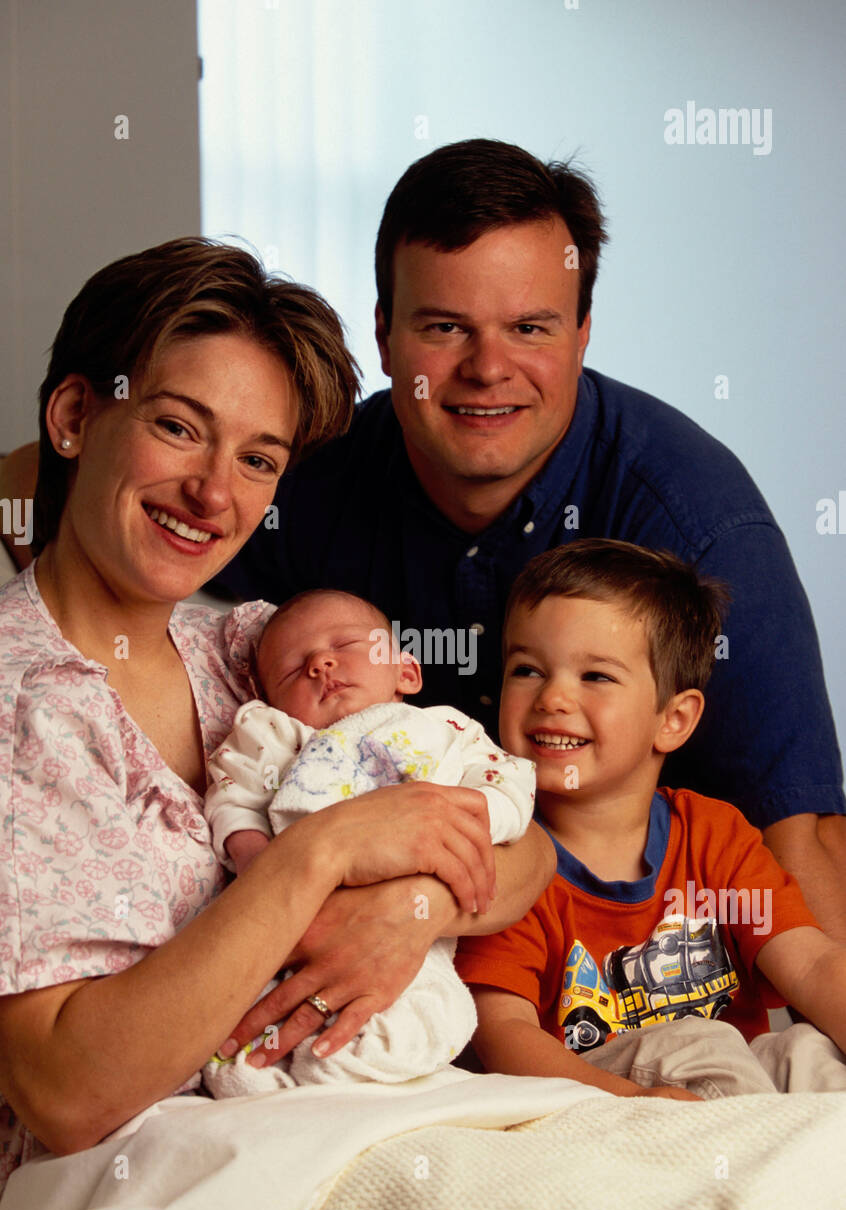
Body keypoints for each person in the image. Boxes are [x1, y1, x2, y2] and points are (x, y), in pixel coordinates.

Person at [4, 139, 844, 940]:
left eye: (530, 328)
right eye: (444, 327)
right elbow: (62, 476)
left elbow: (805, 843)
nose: (486, 368)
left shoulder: (696, 523)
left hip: (632, 968)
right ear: (385, 335)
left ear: (583, 335)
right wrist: (53, 650)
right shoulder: (290, 471)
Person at [0, 238, 553, 1198]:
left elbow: (529, 853)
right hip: (132, 1191)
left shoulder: (255, 649)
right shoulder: (23, 704)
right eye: (178, 427)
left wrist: (407, 910)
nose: (215, 494)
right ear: (76, 415)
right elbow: (67, 1090)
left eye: (258, 459)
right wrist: (322, 854)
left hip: (340, 1128)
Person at [455, 540, 846, 1101]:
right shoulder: (509, 856)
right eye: (527, 669)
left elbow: (810, 963)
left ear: (674, 719)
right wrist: (634, 1106)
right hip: (594, 1092)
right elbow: (502, 1035)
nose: (553, 696)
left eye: (596, 676)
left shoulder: (714, 834)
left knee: (806, 1050)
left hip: (734, 1081)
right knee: (701, 1044)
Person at [201, 587, 535, 1095]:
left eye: (345, 644)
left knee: (427, 1015)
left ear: (406, 672)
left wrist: (475, 820)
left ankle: (353, 1080)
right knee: (243, 1038)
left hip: (414, 936)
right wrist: (257, 861)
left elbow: (509, 783)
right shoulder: (277, 736)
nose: (321, 663)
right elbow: (233, 797)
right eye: (293, 670)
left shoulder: (444, 728)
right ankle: (269, 1089)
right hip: (291, 928)